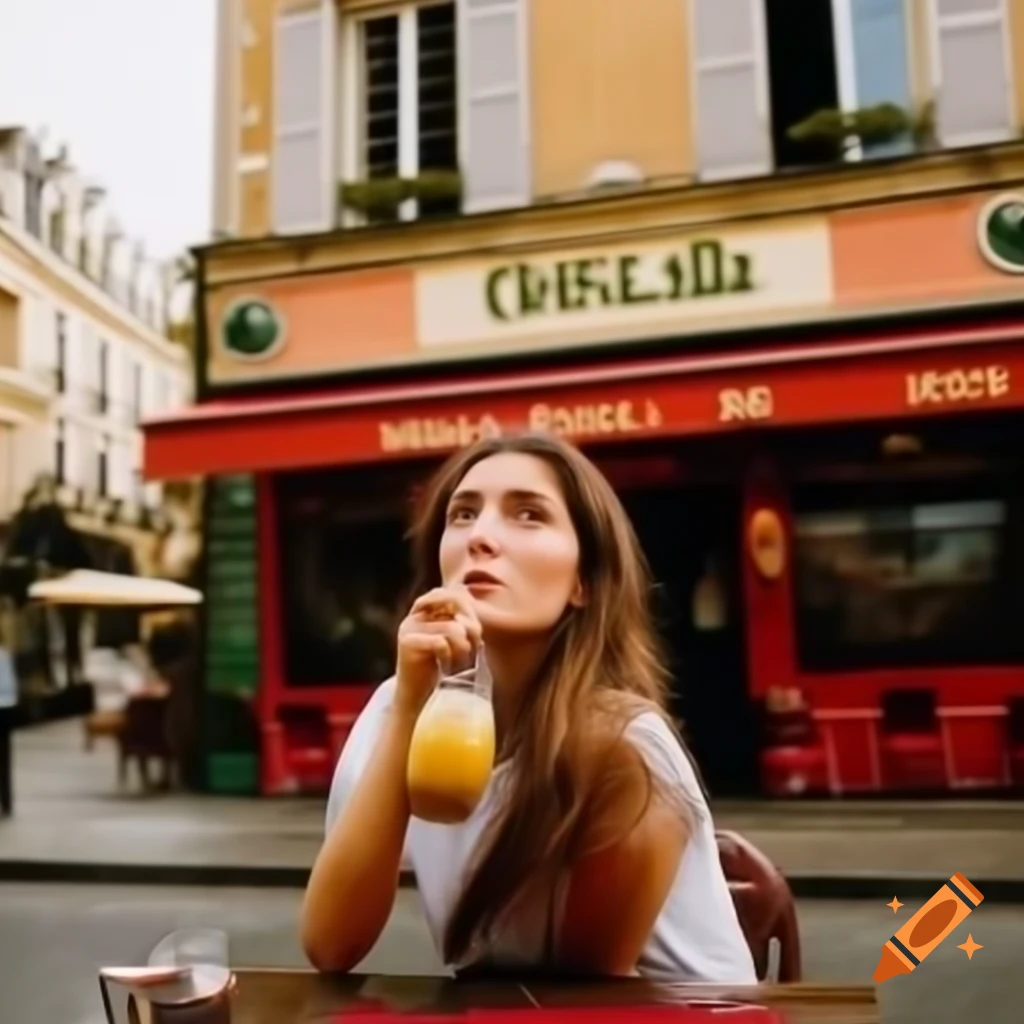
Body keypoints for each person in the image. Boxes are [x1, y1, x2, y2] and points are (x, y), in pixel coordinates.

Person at [301, 433, 756, 982]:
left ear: (583, 583)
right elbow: (331, 945)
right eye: (463, 514)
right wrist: (407, 711)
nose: (480, 537)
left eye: (528, 515)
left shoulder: (626, 747)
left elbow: (580, 990)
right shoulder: (398, 709)